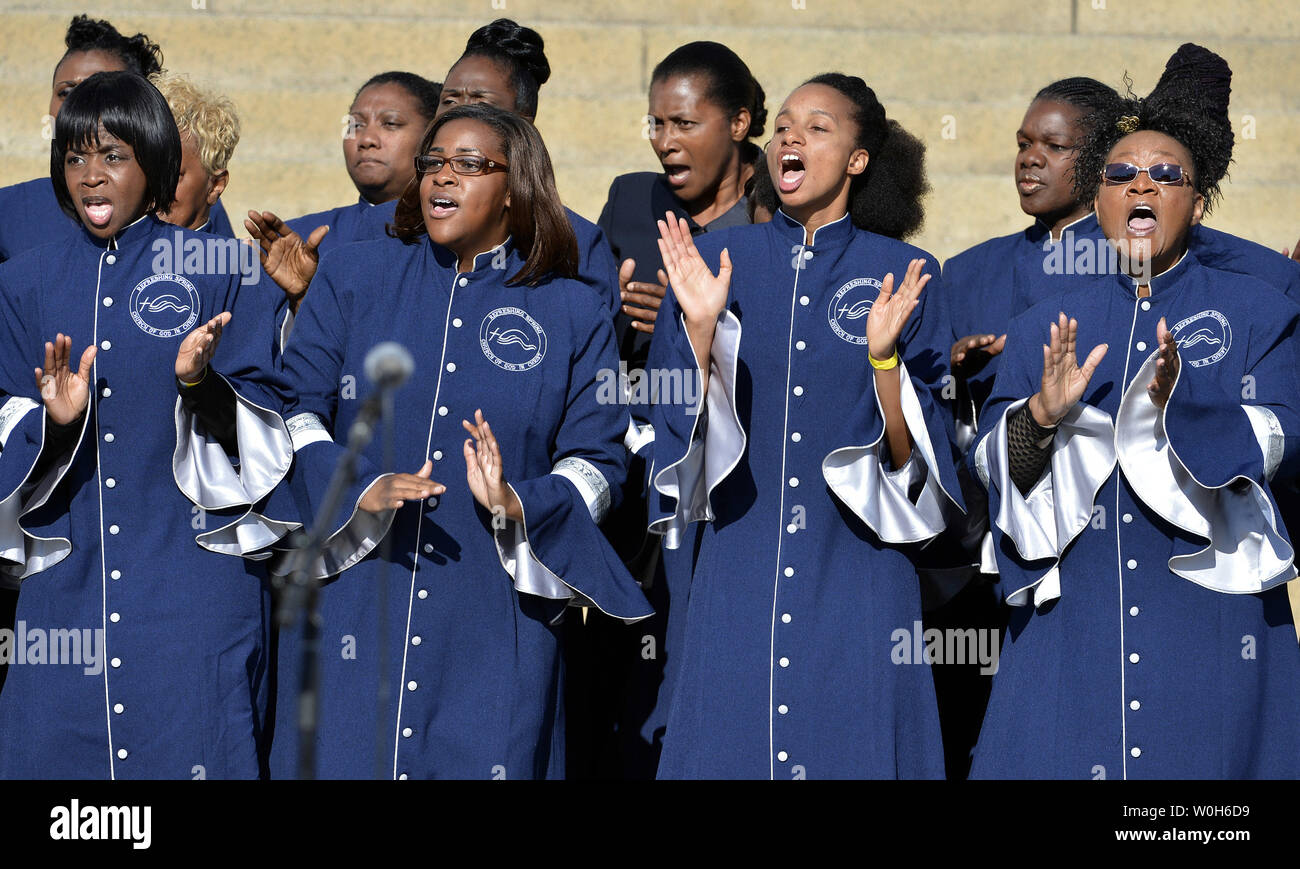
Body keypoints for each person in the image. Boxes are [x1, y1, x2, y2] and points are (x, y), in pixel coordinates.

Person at [264, 104, 651, 779]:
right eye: (433, 162)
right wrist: (355, 485)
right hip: (356, 595)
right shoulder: (352, 275)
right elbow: (294, 411)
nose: (443, 177)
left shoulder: (574, 306)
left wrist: (519, 501)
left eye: (469, 164)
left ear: (514, 184)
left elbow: (600, 463)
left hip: (495, 614)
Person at [969, 49, 1300, 779]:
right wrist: (1041, 417)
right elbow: (1001, 467)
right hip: (1071, 634)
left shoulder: (1261, 309)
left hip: (1214, 629)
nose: (1141, 183)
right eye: (1120, 174)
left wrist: (1190, 407)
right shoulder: (1042, 323)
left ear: (1199, 203)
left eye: (1166, 174)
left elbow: (1284, 439)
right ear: (1099, 201)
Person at [646, 74, 962, 778]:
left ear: (858, 159)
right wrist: (700, 332)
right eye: (784, 124)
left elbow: (918, 474)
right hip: (736, 570)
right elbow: (678, 454)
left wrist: (883, 359)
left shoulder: (907, 272)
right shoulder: (709, 266)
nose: (791, 136)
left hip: (859, 577)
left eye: (818, 127)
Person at [0, 71, 290, 778]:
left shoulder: (225, 268)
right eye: (75, 157)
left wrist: (202, 385)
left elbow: (268, 448)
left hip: (193, 594)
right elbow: (5, 434)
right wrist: (56, 427)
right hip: (63, 600)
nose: (90, 177)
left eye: (113, 156)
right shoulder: (22, 281)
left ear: (156, 161)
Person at [575, 41, 767, 780]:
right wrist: (620, 314)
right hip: (636, 471)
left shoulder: (774, 214)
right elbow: (587, 323)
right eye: (655, 124)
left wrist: (697, 328)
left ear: (741, 122)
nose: (665, 142)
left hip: (727, 476)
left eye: (684, 123)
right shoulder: (631, 197)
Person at [0, 16, 239, 263]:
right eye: (66, 92)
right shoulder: (11, 208)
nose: (80, 105)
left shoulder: (188, 203)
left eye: (103, 88)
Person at [154, 74, 241, 235]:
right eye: (145, 171)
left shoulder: (230, 259)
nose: (154, 189)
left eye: (172, 176)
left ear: (215, 185)